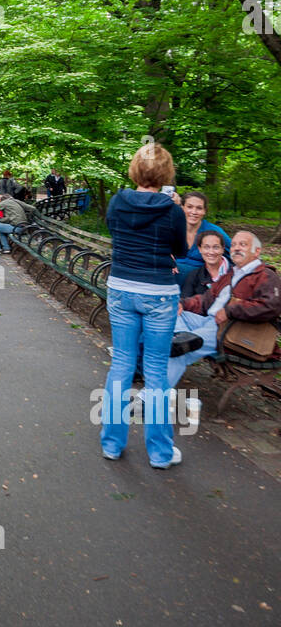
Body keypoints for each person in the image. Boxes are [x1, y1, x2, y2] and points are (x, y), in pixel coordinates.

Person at [100, 143, 187, 469]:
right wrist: (172, 206)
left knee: (121, 364)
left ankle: (111, 443)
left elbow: (115, 233)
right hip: (159, 294)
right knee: (155, 371)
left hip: (121, 287)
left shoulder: (117, 202)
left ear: (135, 169)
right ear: (165, 173)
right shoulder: (172, 210)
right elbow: (179, 248)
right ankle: (161, 453)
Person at [166, 230, 281, 389]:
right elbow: (206, 300)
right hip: (209, 322)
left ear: (257, 251)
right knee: (172, 314)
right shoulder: (231, 274)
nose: (236, 248)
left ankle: (152, 399)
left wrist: (230, 310)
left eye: (243, 244)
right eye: (233, 245)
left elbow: (271, 306)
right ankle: (182, 338)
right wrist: (183, 304)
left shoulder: (265, 275)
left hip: (233, 330)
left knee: (179, 349)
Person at [175, 191, 231, 286]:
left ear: (205, 211)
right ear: (182, 207)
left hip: (201, 282)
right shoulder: (172, 228)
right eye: (189, 207)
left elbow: (234, 253)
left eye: (199, 208)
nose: (194, 212)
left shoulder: (214, 231)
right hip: (172, 280)